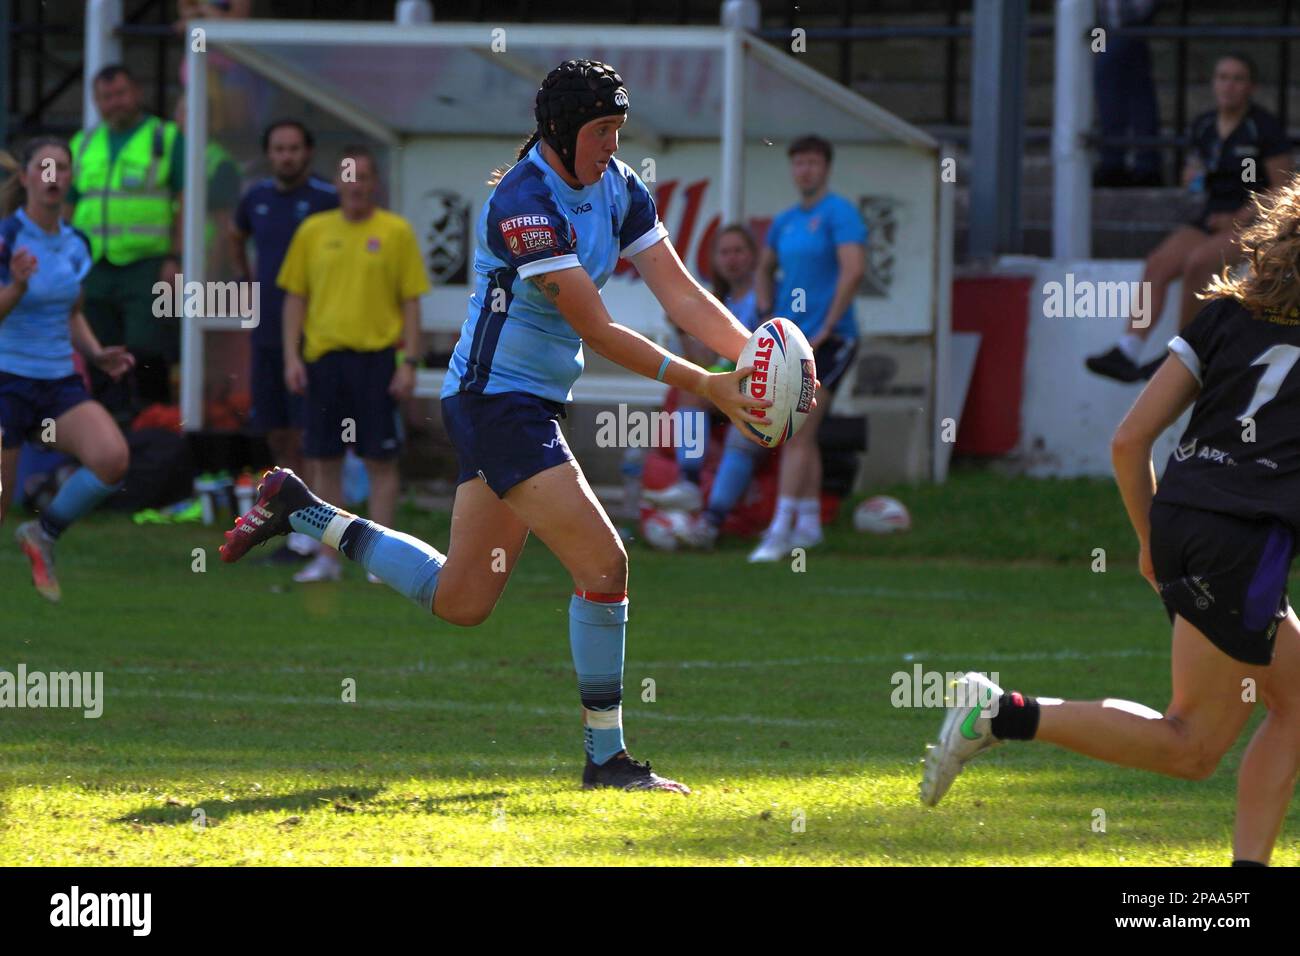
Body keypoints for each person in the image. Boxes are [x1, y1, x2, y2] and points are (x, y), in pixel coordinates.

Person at [220, 59, 781, 793]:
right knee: (604, 564)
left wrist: (758, 359)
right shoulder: (524, 202)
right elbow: (600, 328)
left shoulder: (619, 189)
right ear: (559, 130)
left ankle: (301, 509)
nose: (614, 145)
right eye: (602, 131)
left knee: (462, 600)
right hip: (496, 403)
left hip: (527, 404)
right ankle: (607, 759)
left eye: (618, 129)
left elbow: (681, 294)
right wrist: (707, 383)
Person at [923, 176, 1300, 866]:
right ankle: (1003, 714)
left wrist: (1149, 541)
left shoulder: (1223, 317)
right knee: (1191, 746)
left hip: (1184, 517)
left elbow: (1129, 442)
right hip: (1246, 543)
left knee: (1296, 699)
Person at [1087, 53, 1293, 383]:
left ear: (1250, 87)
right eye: (1222, 77)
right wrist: (1192, 178)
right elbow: (1194, 175)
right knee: (1158, 262)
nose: (1228, 86)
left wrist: (1241, 214)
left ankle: (1183, 352)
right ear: (1213, 84)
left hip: (1253, 220)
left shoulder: (1263, 127)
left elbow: (1283, 188)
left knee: (1198, 262)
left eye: (1237, 78)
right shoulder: (1204, 125)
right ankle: (1128, 348)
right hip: (1210, 215)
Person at [276, 144, 427, 583]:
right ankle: (328, 559)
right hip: (324, 360)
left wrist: (409, 362)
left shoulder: (395, 232)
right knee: (324, 460)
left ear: (373, 183)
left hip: (376, 361)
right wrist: (291, 356)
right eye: (347, 176)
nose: (355, 185)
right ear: (337, 183)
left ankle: (381, 560)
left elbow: (411, 303)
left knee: (381, 460)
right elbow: (294, 299)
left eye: (363, 176)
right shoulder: (313, 231)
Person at [0, 137, 134, 602]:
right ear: (26, 178)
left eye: (62, 168)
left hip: (58, 380)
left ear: (71, 179)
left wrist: (96, 354)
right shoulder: (6, 238)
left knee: (112, 458)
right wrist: (15, 287)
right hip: (7, 380)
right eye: (44, 167)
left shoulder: (77, 243)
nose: (53, 176)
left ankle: (43, 534)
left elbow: (72, 311)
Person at [749, 134, 865, 562]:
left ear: (826, 167)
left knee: (796, 429)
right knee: (805, 433)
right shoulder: (785, 221)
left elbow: (853, 271)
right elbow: (764, 268)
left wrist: (827, 327)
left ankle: (779, 531)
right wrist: (766, 312)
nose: (805, 170)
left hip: (832, 341)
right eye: (799, 163)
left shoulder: (840, 213)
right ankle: (810, 524)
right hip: (795, 342)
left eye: (813, 163)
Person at [230, 119, 338, 563]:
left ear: (307, 153)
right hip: (267, 329)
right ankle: (286, 511)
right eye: (278, 148)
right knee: (275, 427)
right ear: (269, 153)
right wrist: (246, 280)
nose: (286, 156)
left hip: (312, 332)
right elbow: (236, 237)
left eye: (294, 148)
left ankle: (312, 526)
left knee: (309, 428)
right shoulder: (254, 198)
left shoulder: (325, 200)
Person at [67, 64, 185, 420]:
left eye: (120, 94)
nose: (114, 103)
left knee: (146, 347)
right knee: (99, 348)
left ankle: (153, 426)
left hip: (147, 263)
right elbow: (70, 205)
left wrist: (175, 257)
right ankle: (108, 424)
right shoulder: (83, 143)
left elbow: (185, 202)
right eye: (105, 97)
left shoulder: (165, 137)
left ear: (137, 93)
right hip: (94, 265)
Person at [1093, 0, 1162, 188]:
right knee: (1129, 85)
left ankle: (1116, 163)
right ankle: (1142, 165)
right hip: (1101, 29)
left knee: (1107, 76)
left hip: (1129, 25)